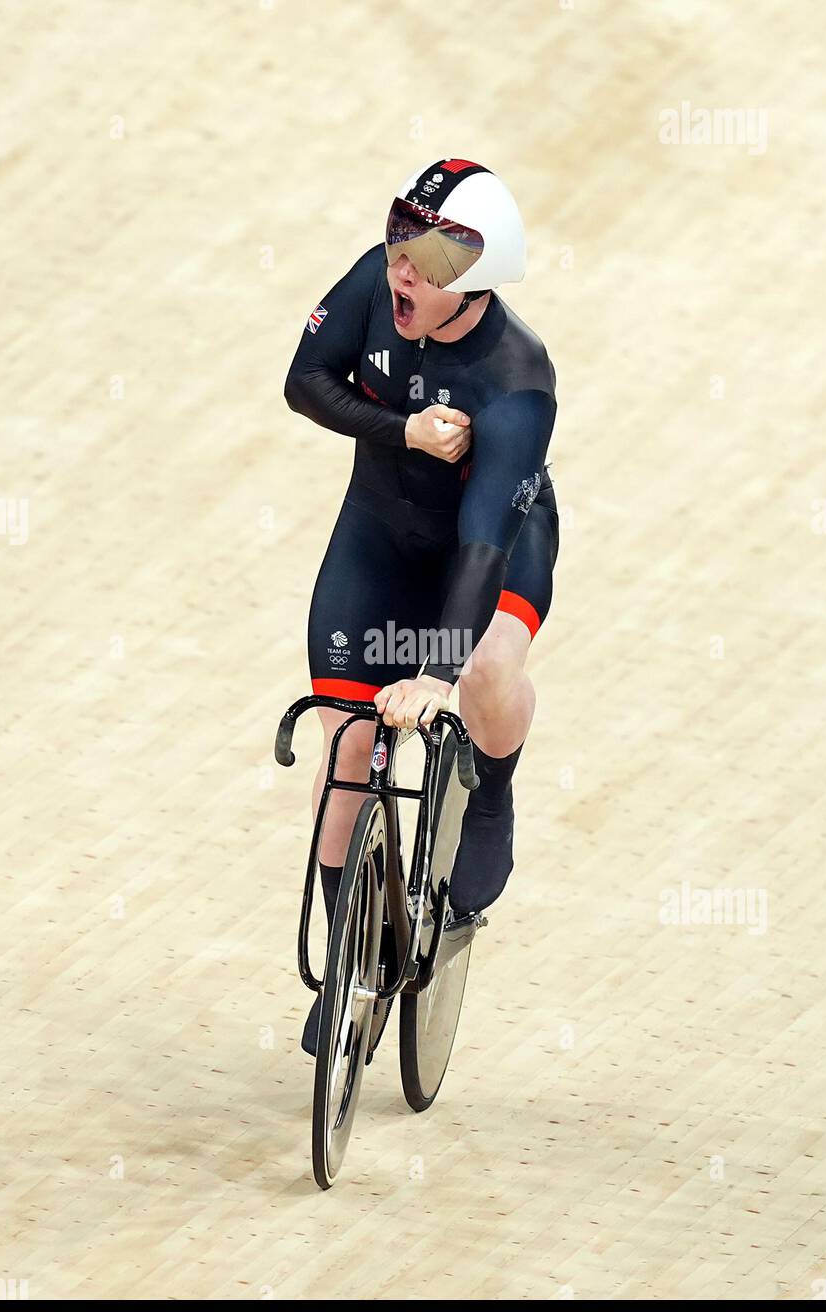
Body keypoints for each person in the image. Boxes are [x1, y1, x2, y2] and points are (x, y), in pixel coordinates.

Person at [284, 158, 559, 1055]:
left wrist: (436, 669)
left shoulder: (516, 378)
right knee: (348, 747)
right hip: (378, 534)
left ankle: (494, 792)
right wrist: (397, 430)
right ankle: (353, 958)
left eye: (431, 261)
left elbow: (483, 542)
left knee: (484, 671)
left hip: (489, 547)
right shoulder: (376, 276)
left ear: (473, 282)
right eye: (403, 241)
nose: (404, 270)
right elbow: (304, 381)